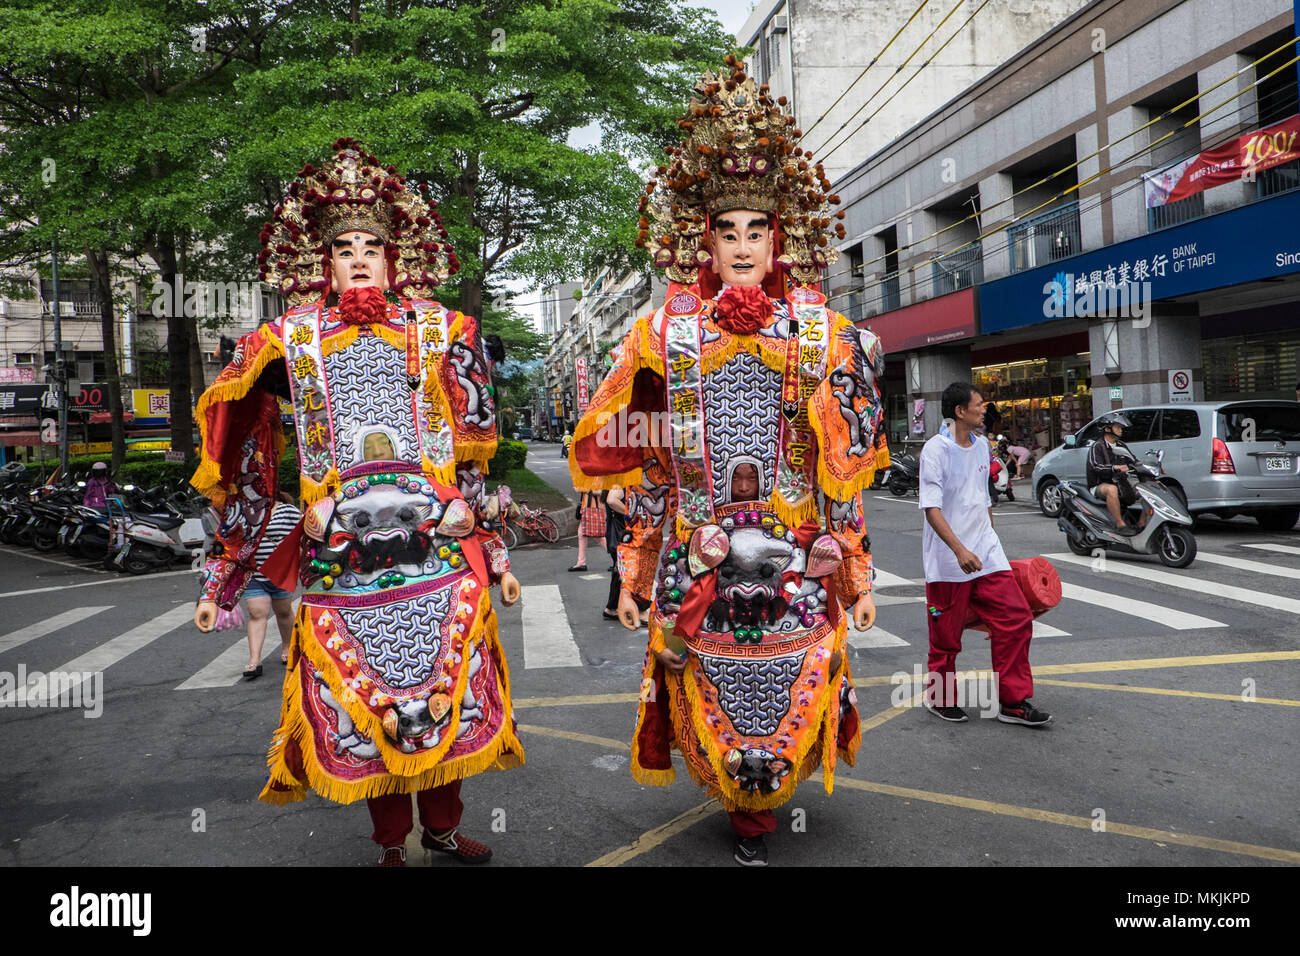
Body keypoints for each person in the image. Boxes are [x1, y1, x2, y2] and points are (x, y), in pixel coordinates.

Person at [569, 58, 888, 867]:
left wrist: (855, 577)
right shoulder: (661, 339)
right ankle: (745, 813)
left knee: (785, 681)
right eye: (727, 231)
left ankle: (763, 808)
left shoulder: (826, 338)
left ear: (780, 240)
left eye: (757, 230)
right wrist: (636, 575)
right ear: (703, 241)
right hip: (696, 554)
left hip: (797, 553)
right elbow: (647, 473)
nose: (742, 246)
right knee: (712, 685)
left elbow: (837, 476)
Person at [191, 138, 523, 867]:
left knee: (450, 697)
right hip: (343, 567)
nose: (362, 257)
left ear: (394, 257)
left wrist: (493, 552)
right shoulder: (288, 341)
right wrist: (227, 567)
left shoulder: (442, 330)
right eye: (346, 247)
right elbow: (245, 451)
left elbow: (472, 460)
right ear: (326, 263)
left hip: (438, 556)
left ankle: (440, 827)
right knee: (363, 704)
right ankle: (390, 842)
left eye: (374, 244)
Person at [918, 382, 1050, 727]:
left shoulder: (983, 446)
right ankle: (941, 699)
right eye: (979, 405)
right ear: (960, 411)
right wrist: (960, 550)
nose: (984, 410)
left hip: (987, 555)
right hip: (948, 562)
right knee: (945, 638)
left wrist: (989, 540)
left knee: (1016, 618)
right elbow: (932, 509)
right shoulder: (935, 451)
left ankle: (1013, 701)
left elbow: (983, 498)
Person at [240, 493, 301, 679]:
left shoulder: (287, 510)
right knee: (257, 612)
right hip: (254, 572)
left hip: (281, 572)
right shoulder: (243, 511)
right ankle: (254, 660)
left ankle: (287, 647)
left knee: (283, 612)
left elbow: (301, 534)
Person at [1086, 412, 1142, 535]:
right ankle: (1120, 524)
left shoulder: (1121, 446)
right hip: (1100, 485)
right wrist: (1114, 468)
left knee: (1147, 489)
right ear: (1107, 429)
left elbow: (1134, 461)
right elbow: (1095, 466)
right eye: (1118, 427)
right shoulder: (1097, 446)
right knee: (1112, 490)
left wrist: (1149, 469)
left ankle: (1141, 524)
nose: (1121, 430)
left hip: (1121, 483)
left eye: (1121, 427)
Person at [604, 485, 649, 625]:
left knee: (621, 571)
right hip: (623, 534)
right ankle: (640, 611)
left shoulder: (618, 479)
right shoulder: (620, 481)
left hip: (620, 533)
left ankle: (611, 608)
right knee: (632, 570)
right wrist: (632, 514)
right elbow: (611, 500)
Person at [569, 489, 605, 572]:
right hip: (588, 510)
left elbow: (603, 491)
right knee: (582, 534)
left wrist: (587, 490)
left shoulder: (597, 478)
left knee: (600, 537)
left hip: (594, 510)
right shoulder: (588, 478)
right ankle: (581, 562)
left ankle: (618, 558)